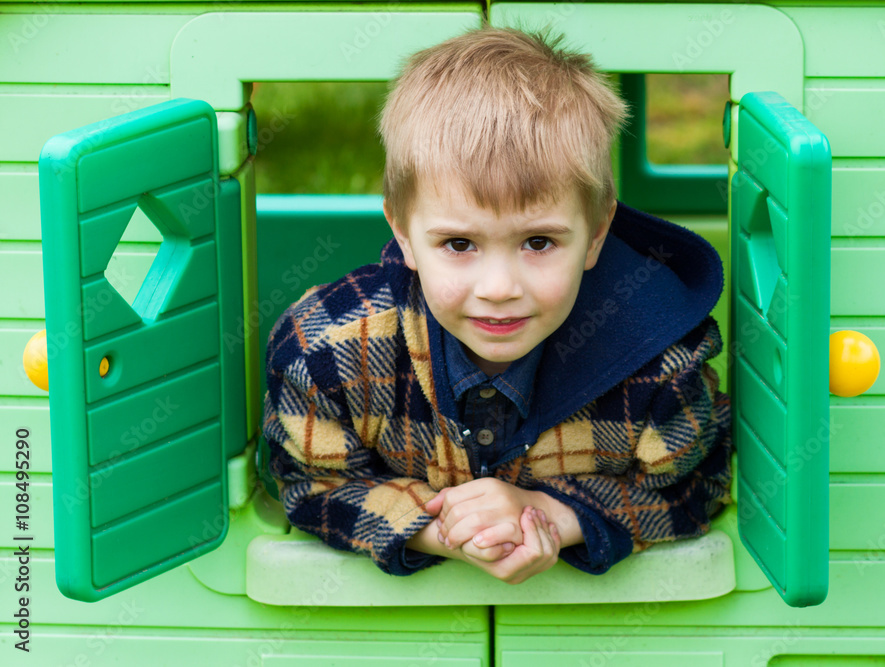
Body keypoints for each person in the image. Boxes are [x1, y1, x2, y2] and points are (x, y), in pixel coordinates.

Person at [262, 24, 733, 585]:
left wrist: (556, 517)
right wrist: (442, 531)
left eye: (538, 242)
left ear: (598, 231)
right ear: (403, 231)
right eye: (459, 244)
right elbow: (307, 482)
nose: (499, 287)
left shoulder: (658, 361)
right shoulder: (325, 352)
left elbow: (700, 481)